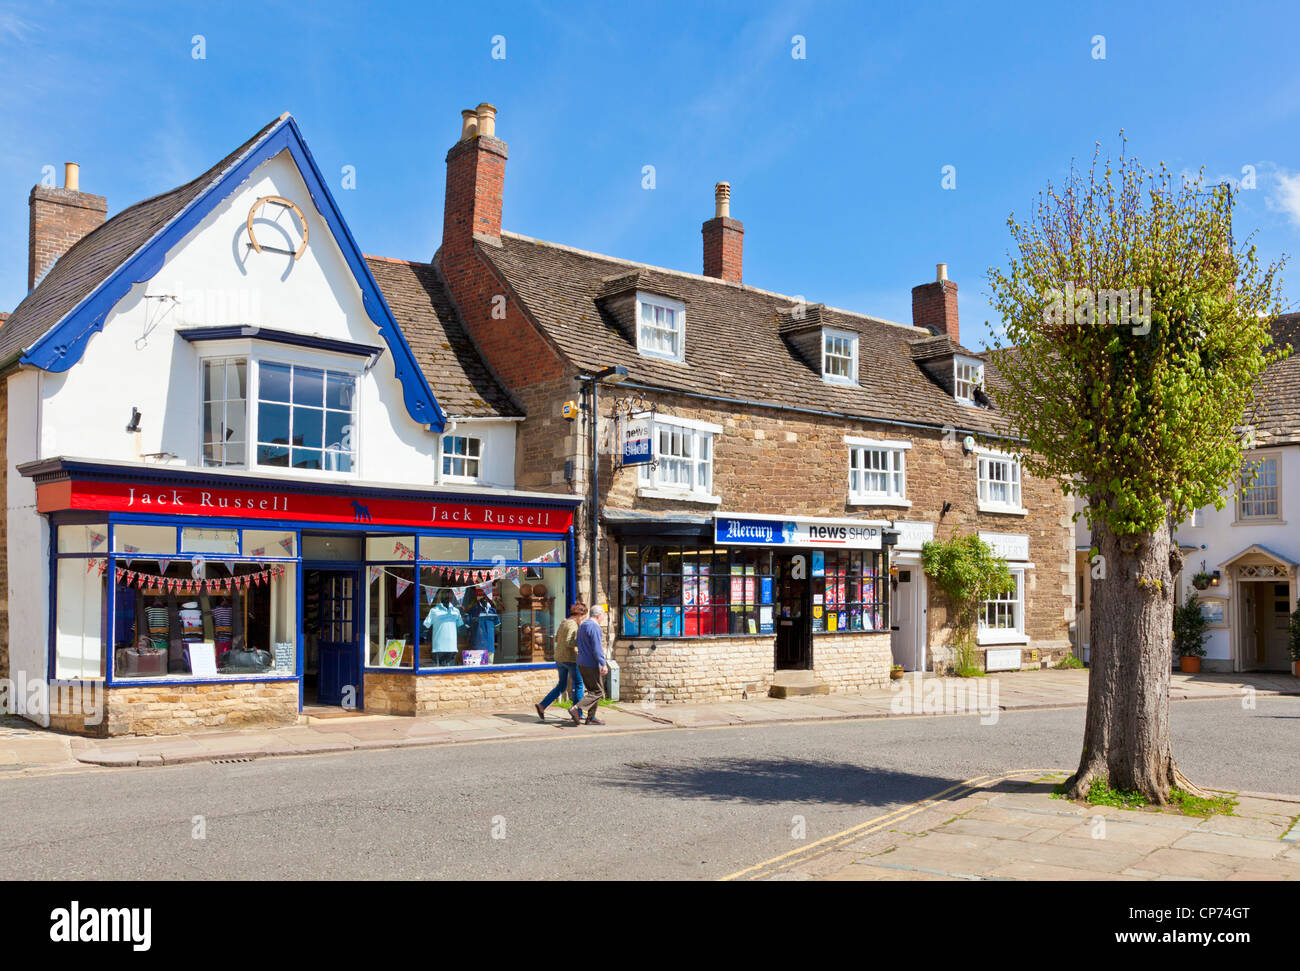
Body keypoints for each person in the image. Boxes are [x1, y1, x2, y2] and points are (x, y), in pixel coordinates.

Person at [534, 601, 586, 721]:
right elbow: (569, 642)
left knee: (562, 685)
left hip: (559, 658)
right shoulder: (573, 624)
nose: (582, 619)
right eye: (583, 617)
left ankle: (542, 705)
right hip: (570, 659)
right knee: (579, 685)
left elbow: (557, 638)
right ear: (579, 614)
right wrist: (581, 641)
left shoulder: (564, 622)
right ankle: (578, 712)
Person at [570, 605, 608, 726]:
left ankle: (591, 718)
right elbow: (597, 648)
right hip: (590, 663)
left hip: (581, 662)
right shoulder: (595, 627)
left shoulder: (583, 625)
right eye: (602, 615)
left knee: (593, 691)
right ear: (598, 615)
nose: (603, 618)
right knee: (598, 692)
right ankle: (576, 708)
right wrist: (603, 663)